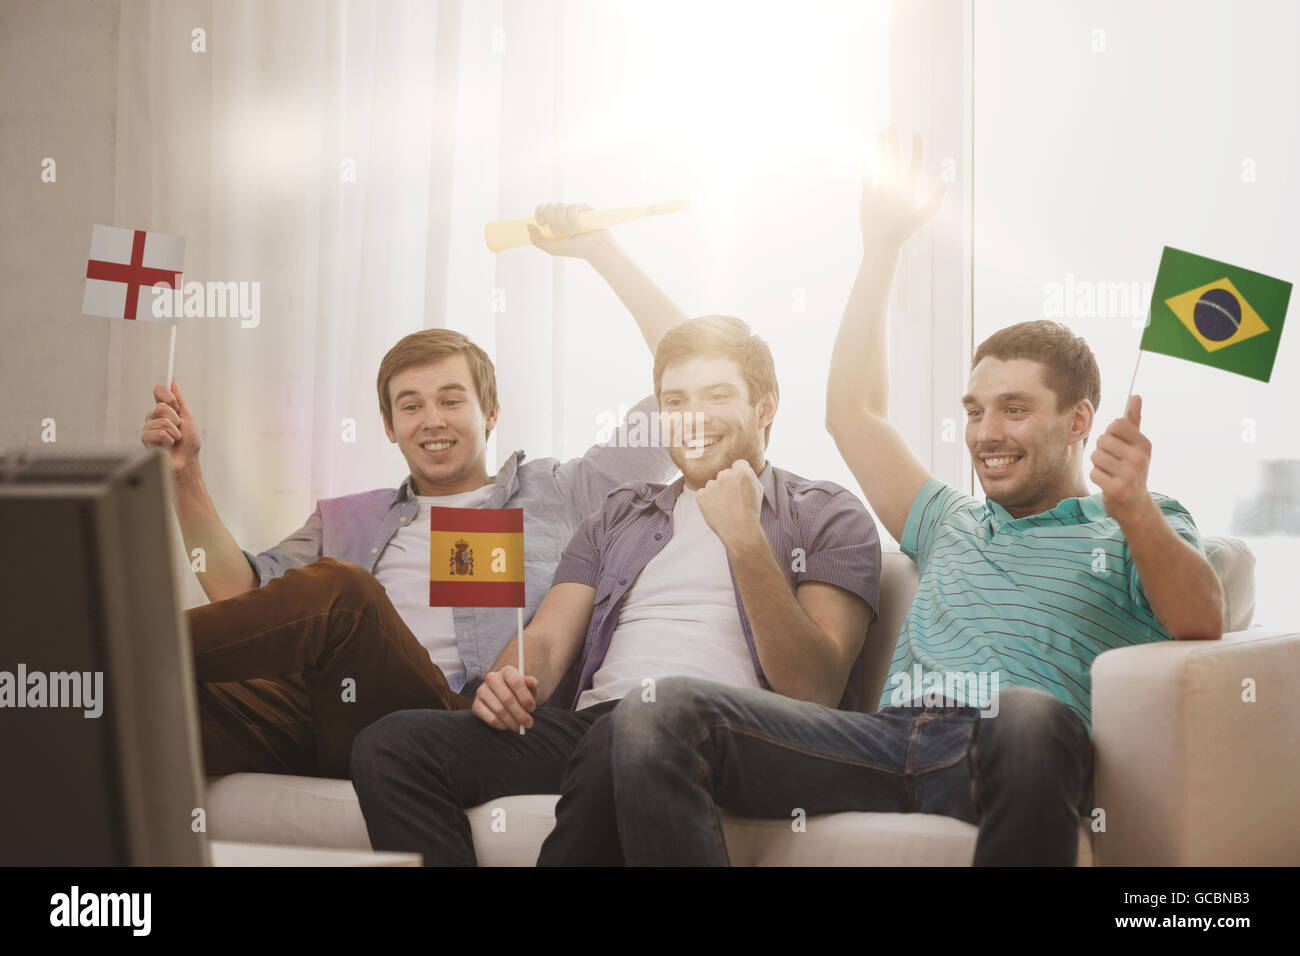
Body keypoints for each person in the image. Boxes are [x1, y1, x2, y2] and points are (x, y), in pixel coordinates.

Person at [599, 129, 1225, 866]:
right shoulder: (949, 519)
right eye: (974, 411)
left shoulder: (1134, 522)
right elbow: (852, 414)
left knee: (1029, 714)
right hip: (882, 741)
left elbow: (1201, 618)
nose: (986, 433)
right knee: (658, 713)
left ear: (1079, 420)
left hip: (1003, 745)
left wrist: (1135, 510)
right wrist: (882, 249)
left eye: (1015, 410)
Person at [140, 203, 684, 778]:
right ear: (389, 425)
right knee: (153, 706)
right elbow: (242, 598)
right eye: (411, 406)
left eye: (451, 400)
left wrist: (601, 250)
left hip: (463, 725)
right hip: (334, 717)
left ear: (491, 413)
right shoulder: (346, 519)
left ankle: (118, 644)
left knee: (345, 593)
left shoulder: (563, 491)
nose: (432, 420)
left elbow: (687, 382)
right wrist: (184, 474)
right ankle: (115, 666)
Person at [350, 315, 882, 865]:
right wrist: (510, 680)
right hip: (598, 726)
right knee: (391, 744)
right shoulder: (620, 515)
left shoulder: (825, 512)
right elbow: (548, 640)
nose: (692, 416)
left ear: (765, 406)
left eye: (717, 395)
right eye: (675, 401)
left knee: (634, 727)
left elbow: (813, 690)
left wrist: (745, 537)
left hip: (735, 733)